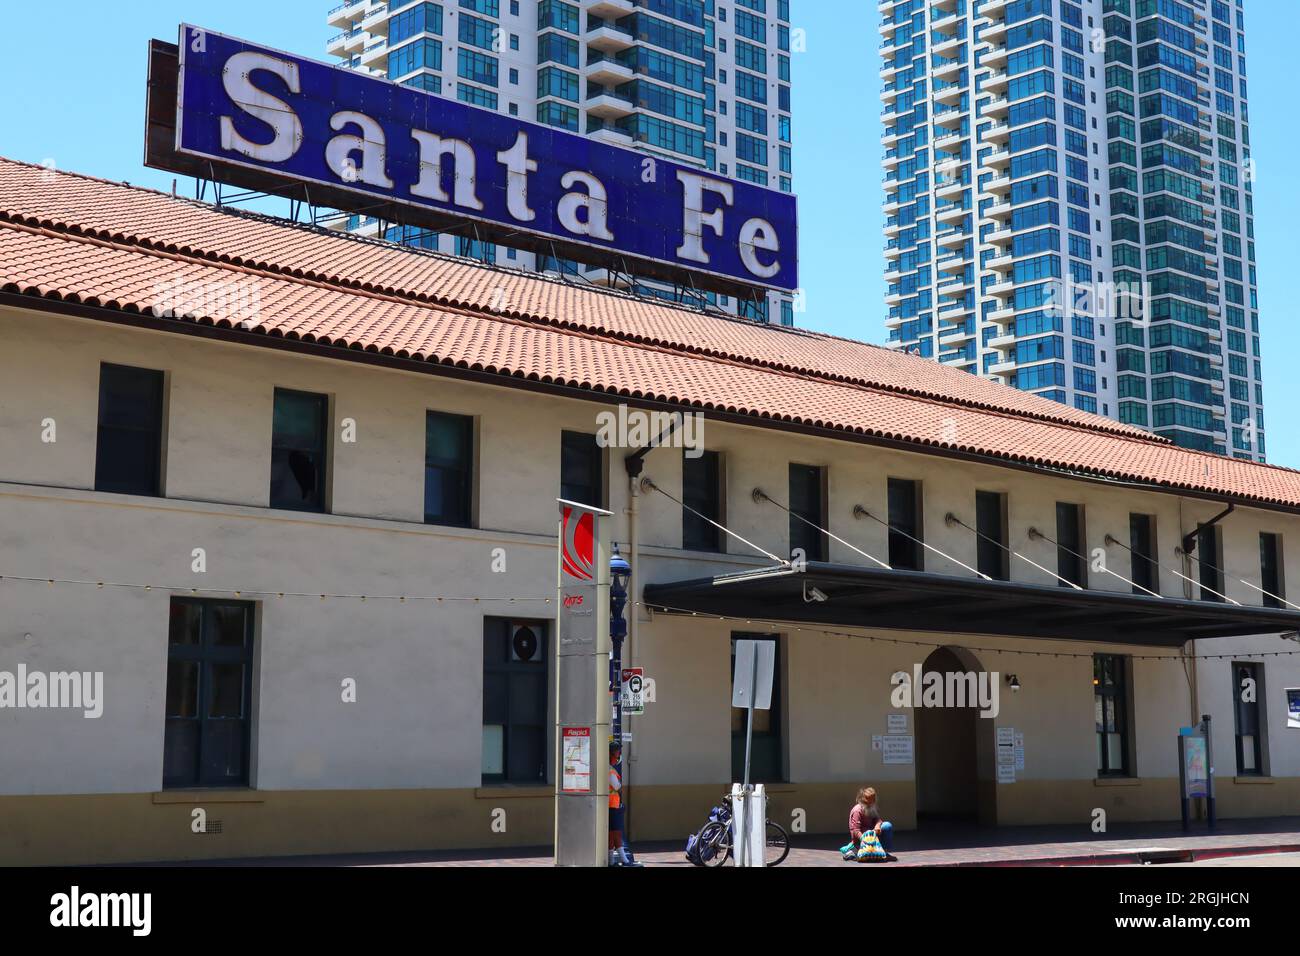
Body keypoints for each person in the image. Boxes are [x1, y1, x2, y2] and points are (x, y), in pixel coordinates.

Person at [843, 786, 894, 860]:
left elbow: (877, 819)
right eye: (867, 802)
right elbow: (856, 831)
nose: (870, 804)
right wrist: (865, 839)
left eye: (872, 802)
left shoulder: (872, 807)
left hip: (872, 834)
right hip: (862, 838)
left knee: (887, 826)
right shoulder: (857, 810)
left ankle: (885, 853)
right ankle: (855, 851)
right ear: (863, 800)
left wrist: (877, 825)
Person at [608, 741, 630, 866]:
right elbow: (617, 786)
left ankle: (611, 859)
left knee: (611, 833)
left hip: (611, 805)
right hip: (613, 805)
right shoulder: (610, 771)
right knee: (617, 832)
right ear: (612, 753)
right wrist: (620, 788)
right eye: (617, 751)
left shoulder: (609, 769)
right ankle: (624, 858)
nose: (619, 754)